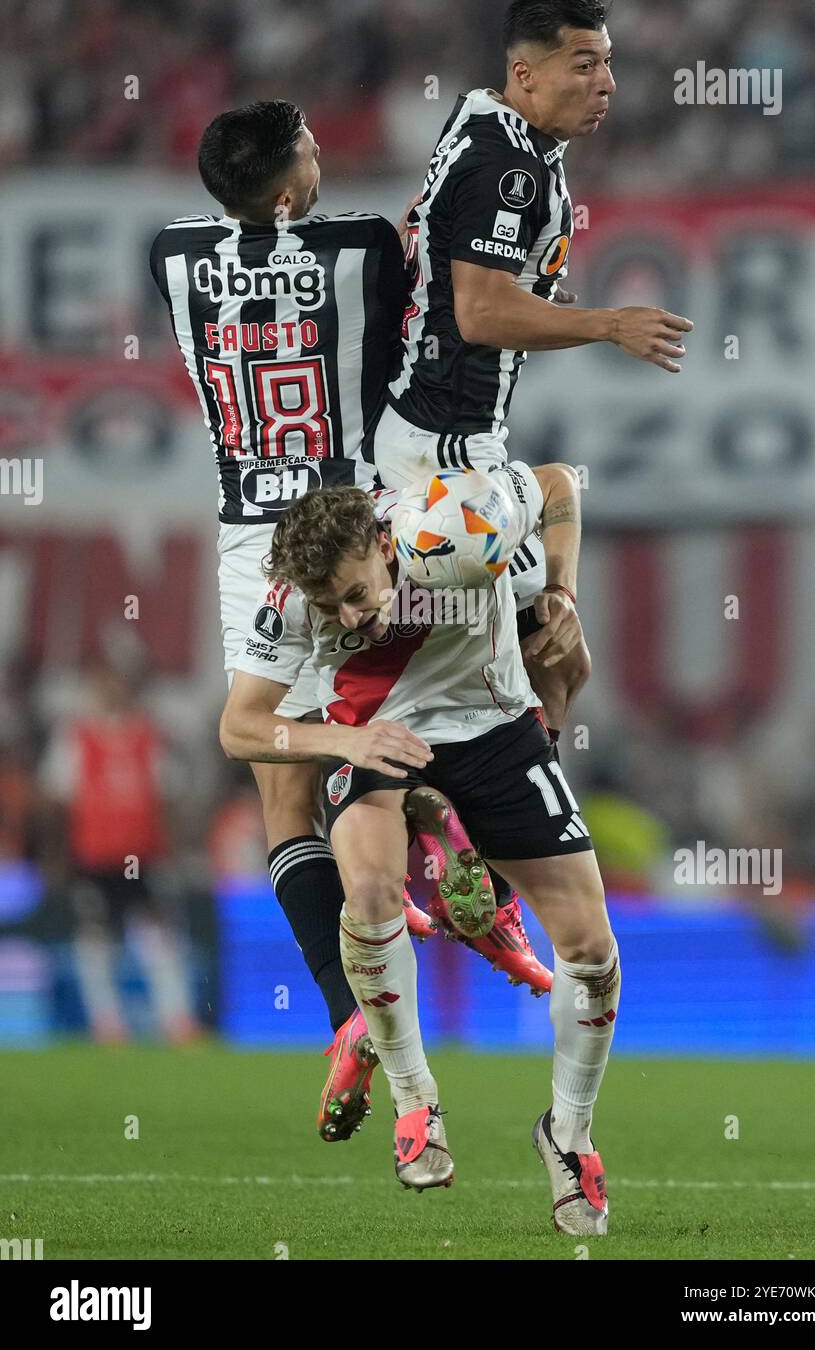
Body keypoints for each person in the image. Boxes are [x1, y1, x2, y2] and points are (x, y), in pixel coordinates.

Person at [150, 99, 558, 1138]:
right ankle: (455, 845)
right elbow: (431, 308)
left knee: (289, 796)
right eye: (310, 152)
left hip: (256, 539)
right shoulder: (359, 247)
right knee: (458, 677)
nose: (325, 156)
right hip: (371, 523)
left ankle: (345, 1009)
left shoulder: (169, 257)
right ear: (290, 191)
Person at [220, 463, 619, 1235]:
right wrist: (341, 736)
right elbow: (239, 728)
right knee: (368, 891)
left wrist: (563, 591)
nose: (348, 614)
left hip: (493, 728)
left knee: (592, 949)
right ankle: (415, 1101)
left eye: (357, 593)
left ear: (384, 542)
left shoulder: (458, 526)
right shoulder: (293, 598)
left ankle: (569, 1135)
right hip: (373, 737)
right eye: (330, 604)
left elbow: (562, 481)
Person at [373, 0, 692, 730]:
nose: (606, 83)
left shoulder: (486, 124)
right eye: (583, 64)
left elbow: (422, 234)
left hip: (434, 433)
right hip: (442, 453)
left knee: (555, 626)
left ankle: (476, 818)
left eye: (607, 63)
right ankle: (490, 827)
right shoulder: (509, 170)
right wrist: (609, 326)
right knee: (540, 663)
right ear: (527, 74)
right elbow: (481, 312)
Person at [40, 660, 199, 1044]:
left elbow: (169, 798)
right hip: (94, 856)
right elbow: (58, 799)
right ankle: (107, 1022)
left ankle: (176, 1020)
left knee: (157, 935)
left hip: (144, 854)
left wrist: (174, 850)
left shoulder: (150, 736)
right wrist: (55, 853)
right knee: (97, 938)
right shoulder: (76, 737)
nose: (114, 691)